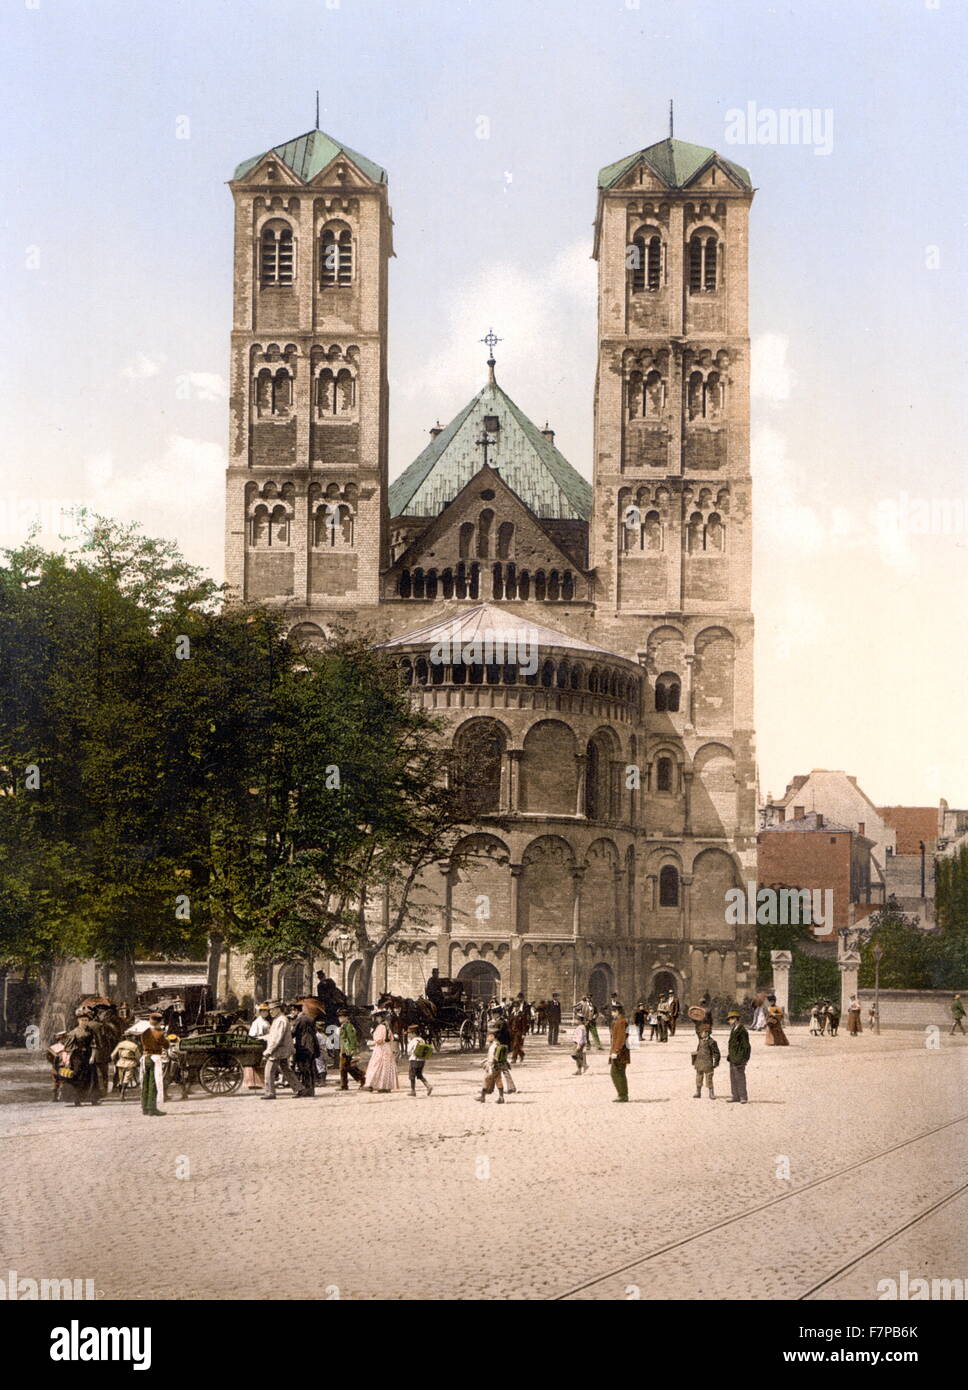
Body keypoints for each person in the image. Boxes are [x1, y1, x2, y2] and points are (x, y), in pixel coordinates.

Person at [261, 1001, 307, 1100]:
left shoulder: (281, 1020)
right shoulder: (279, 1019)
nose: (270, 1012)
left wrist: (268, 1051)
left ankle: (270, 1093)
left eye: (272, 1010)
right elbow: (274, 1035)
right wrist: (263, 1037)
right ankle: (300, 1089)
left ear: (278, 1009)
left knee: (268, 1071)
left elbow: (277, 1038)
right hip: (282, 1050)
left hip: (278, 1050)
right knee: (286, 1070)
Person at [363, 1010, 398, 1092]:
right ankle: (385, 1086)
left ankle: (371, 1085)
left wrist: (371, 1042)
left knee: (376, 1065)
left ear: (380, 1017)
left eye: (377, 1017)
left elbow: (379, 1040)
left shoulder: (380, 1027)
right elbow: (391, 1038)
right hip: (387, 1048)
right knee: (385, 1067)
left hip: (381, 1048)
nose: (376, 1019)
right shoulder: (387, 1026)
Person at [140, 1012, 168, 1115]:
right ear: (158, 1021)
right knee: (153, 1083)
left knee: (145, 1082)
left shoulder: (144, 1032)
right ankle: (152, 1108)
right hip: (155, 1058)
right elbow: (166, 1045)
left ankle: (144, 1107)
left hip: (145, 1057)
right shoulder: (159, 1033)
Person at [292, 1002, 321, 1097]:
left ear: (296, 1010)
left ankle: (305, 1090)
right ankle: (311, 1090)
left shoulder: (299, 1019)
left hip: (303, 1046)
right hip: (311, 1045)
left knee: (303, 1069)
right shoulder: (310, 1018)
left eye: (293, 1010)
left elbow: (293, 1033)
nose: (292, 1013)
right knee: (310, 1068)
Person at [336, 1008, 366, 1090]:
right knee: (344, 1067)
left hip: (347, 1050)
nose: (339, 1018)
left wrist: (352, 1050)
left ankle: (361, 1078)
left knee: (347, 1067)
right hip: (343, 1049)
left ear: (346, 1017)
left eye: (341, 1017)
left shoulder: (348, 1026)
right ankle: (344, 1084)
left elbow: (352, 1038)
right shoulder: (343, 1026)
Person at [476, 1028, 508, 1103]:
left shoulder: (493, 1046)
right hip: (498, 1066)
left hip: (492, 1066)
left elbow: (492, 1057)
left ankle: (482, 1097)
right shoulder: (499, 1044)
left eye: (488, 1036)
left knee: (486, 1080)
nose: (487, 1038)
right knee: (498, 1081)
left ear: (493, 1036)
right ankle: (501, 1097)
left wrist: (489, 1066)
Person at [725, 1009, 750, 1103]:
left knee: (740, 1077)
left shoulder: (742, 1030)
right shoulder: (734, 1029)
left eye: (730, 1019)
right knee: (733, 1077)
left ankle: (743, 1096)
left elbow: (746, 1046)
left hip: (739, 1058)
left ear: (735, 1019)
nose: (729, 1021)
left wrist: (744, 1058)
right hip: (732, 1057)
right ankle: (735, 1096)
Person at [244, 1003, 270, 1089]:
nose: (265, 1013)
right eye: (263, 1011)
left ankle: (261, 1082)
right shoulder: (257, 1022)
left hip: (265, 1042)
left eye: (266, 1011)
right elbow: (253, 1035)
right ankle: (253, 1082)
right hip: (258, 1043)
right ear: (260, 1012)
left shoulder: (265, 1021)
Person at [608, 1003, 630, 1102]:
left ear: (617, 1012)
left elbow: (621, 1038)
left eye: (613, 1012)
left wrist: (616, 1051)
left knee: (615, 1072)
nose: (612, 1014)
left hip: (619, 1052)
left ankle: (622, 1095)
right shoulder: (621, 1021)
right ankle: (623, 1094)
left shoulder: (620, 1022)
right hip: (621, 1051)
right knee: (620, 1072)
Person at [692, 1025, 720, 1099]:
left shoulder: (712, 1042)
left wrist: (716, 1062)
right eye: (700, 1033)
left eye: (702, 1032)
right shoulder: (700, 1041)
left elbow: (716, 1053)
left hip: (708, 1063)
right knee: (698, 1078)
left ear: (707, 1033)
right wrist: (694, 1059)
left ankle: (711, 1093)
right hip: (699, 1062)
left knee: (709, 1078)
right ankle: (698, 1092)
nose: (701, 1034)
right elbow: (698, 1050)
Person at [406, 1025, 434, 1097]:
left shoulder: (413, 1041)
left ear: (413, 1033)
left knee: (412, 1076)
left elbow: (408, 1051)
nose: (409, 1035)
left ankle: (413, 1091)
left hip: (414, 1060)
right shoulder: (422, 1040)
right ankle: (428, 1086)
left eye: (409, 1033)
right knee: (419, 1074)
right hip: (422, 1061)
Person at [111, 1034, 141, 1099]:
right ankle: (122, 1093)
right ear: (131, 1037)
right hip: (130, 1062)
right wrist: (139, 1063)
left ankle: (121, 1092)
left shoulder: (120, 1044)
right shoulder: (134, 1046)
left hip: (121, 1062)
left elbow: (113, 1054)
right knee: (126, 1078)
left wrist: (115, 1061)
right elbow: (138, 1056)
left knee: (121, 1078)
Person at [46, 1030, 70, 1101]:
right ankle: (61, 1097)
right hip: (61, 1066)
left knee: (56, 1082)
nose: (65, 1040)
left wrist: (53, 1063)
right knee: (62, 1081)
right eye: (64, 1038)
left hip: (55, 1067)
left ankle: (55, 1097)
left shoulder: (52, 1047)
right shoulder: (65, 1047)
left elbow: (48, 1057)